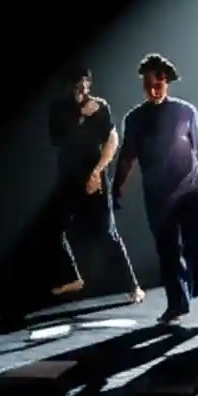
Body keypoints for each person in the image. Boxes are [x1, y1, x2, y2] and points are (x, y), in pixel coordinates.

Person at [114, 53, 198, 323]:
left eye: (157, 83)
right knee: (168, 250)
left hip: (189, 190)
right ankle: (177, 303)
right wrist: (117, 186)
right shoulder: (135, 119)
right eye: (147, 84)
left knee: (196, 243)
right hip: (158, 197)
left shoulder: (184, 111)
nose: (152, 90)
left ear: (166, 82)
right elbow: (127, 156)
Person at [46, 65, 145, 303]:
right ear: (69, 87)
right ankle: (72, 277)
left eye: (85, 85)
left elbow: (112, 140)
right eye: (77, 86)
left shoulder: (100, 106)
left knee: (106, 233)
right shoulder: (58, 109)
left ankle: (133, 286)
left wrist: (97, 172)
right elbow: (58, 139)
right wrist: (81, 117)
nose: (82, 90)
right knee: (53, 227)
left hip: (94, 174)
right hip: (69, 176)